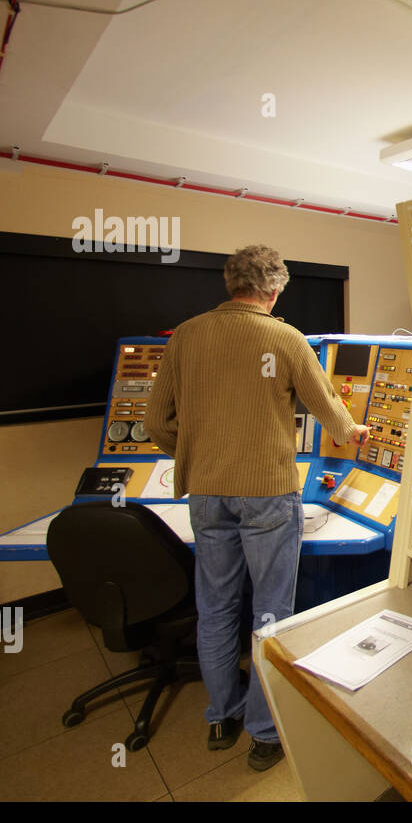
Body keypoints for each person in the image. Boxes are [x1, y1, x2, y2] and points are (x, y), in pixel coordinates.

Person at [145, 244, 367, 771]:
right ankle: (265, 733)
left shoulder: (187, 336)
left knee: (216, 606)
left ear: (231, 285)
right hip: (267, 491)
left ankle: (221, 717)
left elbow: (156, 423)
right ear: (272, 290)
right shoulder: (284, 337)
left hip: (205, 490)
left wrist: (197, 452)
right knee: (271, 613)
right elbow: (327, 409)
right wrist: (354, 432)